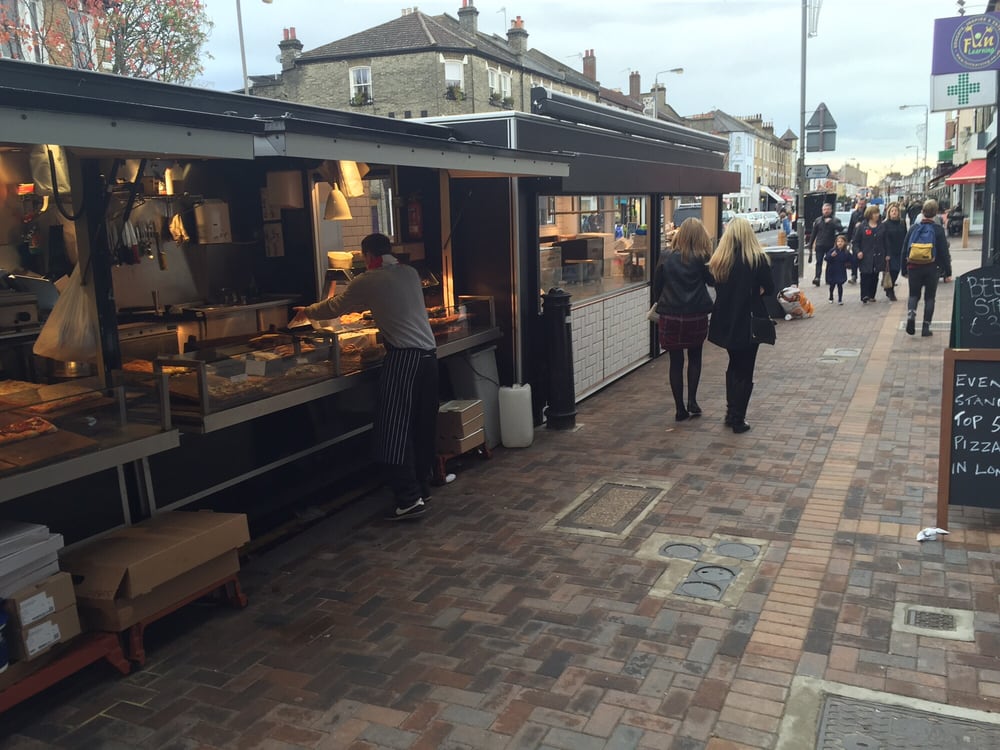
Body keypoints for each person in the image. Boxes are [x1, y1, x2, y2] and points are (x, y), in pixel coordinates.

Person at [290, 233, 438, 520]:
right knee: (421, 425)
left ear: (368, 255)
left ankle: (408, 499)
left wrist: (306, 311)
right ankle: (421, 488)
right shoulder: (409, 272)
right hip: (429, 357)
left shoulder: (369, 280)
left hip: (404, 358)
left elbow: (335, 307)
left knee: (393, 429)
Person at [707, 217, 775, 434]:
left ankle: (730, 411)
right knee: (746, 369)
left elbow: (715, 284)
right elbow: (770, 288)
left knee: (734, 364)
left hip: (726, 320)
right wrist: (757, 291)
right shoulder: (757, 260)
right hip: (749, 321)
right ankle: (738, 418)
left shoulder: (719, 260)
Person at [652, 218, 715, 422]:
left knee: (675, 361)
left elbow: (657, 286)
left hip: (670, 315)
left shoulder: (665, 256)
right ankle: (692, 401)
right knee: (695, 357)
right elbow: (712, 281)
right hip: (696, 315)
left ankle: (679, 408)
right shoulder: (702, 257)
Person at [902, 199, 953, 337]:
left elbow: (904, 249)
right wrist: (948, 272)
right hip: (931, 268)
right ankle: (925, 327)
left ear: (922, 212)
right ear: (935, 213)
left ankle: (911, 315)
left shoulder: (913, 228)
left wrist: (904, 269)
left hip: (913, 267)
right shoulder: (938, 230)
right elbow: (944, 252)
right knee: (930, 298)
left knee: (913, 295)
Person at [853, 205, 884, 304]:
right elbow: (856, 242)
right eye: (874, 213)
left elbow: (886, 241)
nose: (877, 215)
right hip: (865, 256)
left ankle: (872, 295)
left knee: (875, 276)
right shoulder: (862, 226)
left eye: (877, 213)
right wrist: (858, 252)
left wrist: (887, 254)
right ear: (869, 215)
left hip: (878, 256)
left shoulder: (882, 226)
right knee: (865, 275)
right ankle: (864, 295)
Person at [877, 202, 906, 301]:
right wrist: (885, 253)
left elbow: (905, 236)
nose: (894, 213)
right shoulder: (885, 224)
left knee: (897, 271)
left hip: (900, 250)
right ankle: (890, 290)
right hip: (889, 251)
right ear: (889, 213)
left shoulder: (902, 223)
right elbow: (883, 239)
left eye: (896, 211)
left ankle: (889, 287)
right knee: (891, 270)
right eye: (892, 211)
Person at [810, 203, 843, 287]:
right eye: (824, 209)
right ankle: (817, 278)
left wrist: (831, 222)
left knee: (830, 262)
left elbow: (840, 229)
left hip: (830, 245)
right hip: (820, 244)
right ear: (822, 210)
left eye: (828, 209)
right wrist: (810, 244)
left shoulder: (835, 220)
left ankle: (828, 279)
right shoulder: (818, 220)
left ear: (831, 210)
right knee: (819, 262)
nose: (826, 211)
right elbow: (814, 233)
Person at [824, 232, 851, 305]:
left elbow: (850, 260)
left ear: (845, 243)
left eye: (842, 241)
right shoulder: (832, 250)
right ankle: (831, 296)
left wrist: (849, 264)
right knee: (832, 285)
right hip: (832, 270)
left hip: (841, 270)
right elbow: (826, 258)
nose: (840, 243)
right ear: (836, 243)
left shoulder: (846, 252)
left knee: (840, 285)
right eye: (838, 241)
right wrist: (831, 256)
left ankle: (840, 299)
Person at [846, 198, 867, 285]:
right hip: (855, 239)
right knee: (854, 259)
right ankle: (854, 276)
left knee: (864, 259)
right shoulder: (854, 214)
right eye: (860, 204)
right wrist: (847, 240)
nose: (861, 205)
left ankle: (864, 276)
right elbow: (850, 227)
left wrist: (861, 224)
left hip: (866, 239)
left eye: (862, 204)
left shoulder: (868, 213)